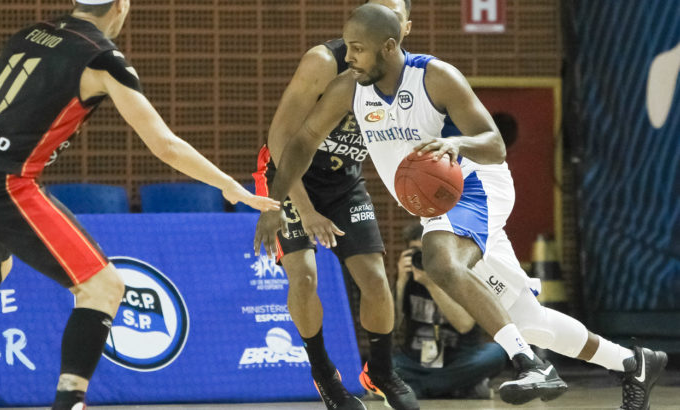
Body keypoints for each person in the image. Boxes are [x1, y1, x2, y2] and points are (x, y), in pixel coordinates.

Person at [254, 4, 667, 408]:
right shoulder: (349, 88)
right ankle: (634, 363)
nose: (350, 57)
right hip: (438, 206)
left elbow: (495, 145)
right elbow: (303, 142)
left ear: (389, 46)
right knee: (526, 320)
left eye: (358, 48)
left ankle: (530, 364)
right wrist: (275, 204)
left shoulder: (436, 77)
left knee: (440, 261)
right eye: (347, 46)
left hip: (475, 184)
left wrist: (455, 143)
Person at [0, 1, 279, 409]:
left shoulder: (30, 34)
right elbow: (164, 144)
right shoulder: (103, 59)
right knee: (103, 287)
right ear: (121, 6)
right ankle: (70, 402)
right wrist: (229, 187)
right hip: (1, 181)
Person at [254, 1, 417, 409]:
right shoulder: (325, 62)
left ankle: (380, 371)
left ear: (405, 27)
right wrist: (302, 210)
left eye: (394, 9)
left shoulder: (413, 75)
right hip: (289, 173)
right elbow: (281, 139)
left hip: (344, 179)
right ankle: (324, 374)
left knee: (377, 281)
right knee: (304, 277)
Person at [393, 222, 505, 399]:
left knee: (496, 354)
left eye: (429, 251)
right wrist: (400, 283)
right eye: (417, 252)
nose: (424, 259)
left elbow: (464, 325)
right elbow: (392, 326)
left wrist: (431, 283)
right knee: (381, 366)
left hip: (459, 359)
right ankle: (460, 388)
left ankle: (420, 389)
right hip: (416, 361)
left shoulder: (461, 275)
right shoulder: (408, 277)